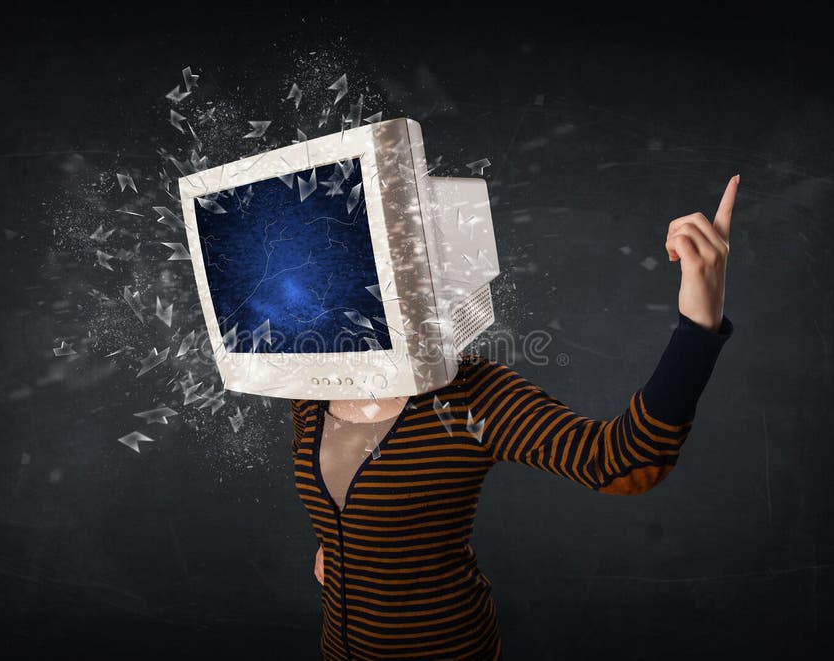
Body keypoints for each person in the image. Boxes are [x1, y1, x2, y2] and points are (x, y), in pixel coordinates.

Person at [291, 176, 740, 660]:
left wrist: (698, 328)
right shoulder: (311, 392)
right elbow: (336, 486)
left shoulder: (470, 396)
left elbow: (623, 462)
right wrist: (341, 542)